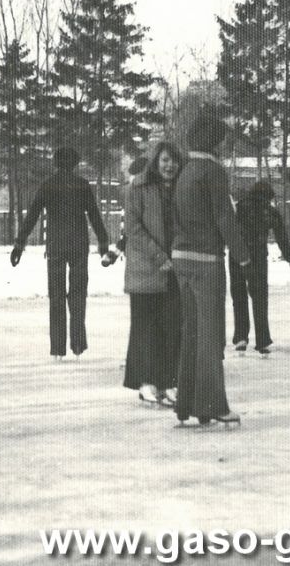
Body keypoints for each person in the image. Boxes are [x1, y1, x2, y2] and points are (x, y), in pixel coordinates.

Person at [171, 114, 251, 427]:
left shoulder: (185, 171)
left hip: (181, 258)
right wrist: (243, 255)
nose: (225, 146)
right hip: (206, 260)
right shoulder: (212, 171)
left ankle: (187, 403)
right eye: (222, 140)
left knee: (191, 333)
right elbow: (224, 217)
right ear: (213, 141)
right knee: (211, 334)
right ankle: (213, 403)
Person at [11, 146, 110, 360]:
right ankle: (77, 346)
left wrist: (19, 244)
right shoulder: (82, 185)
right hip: (78, 245)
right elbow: (94, 216)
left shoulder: (48, 185)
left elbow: (32, 215)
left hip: (56, 245)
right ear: (75, 163)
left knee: (56, 297)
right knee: (77, 295)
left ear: (56, 162)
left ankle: (57, 349)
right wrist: (103, 245)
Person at [122, 142, 184, 408]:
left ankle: (169, 382)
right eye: (165, 160)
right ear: (156, 161)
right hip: (146, 268)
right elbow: (133, 229)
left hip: (175, 269)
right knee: (144, 328)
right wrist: (159, 256)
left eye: (174, 161)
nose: (169, 166)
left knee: (171, 327)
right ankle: (145, 382)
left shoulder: (183, 189)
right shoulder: (137, 188)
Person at [229, 181, 290, 355]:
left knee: (239, 297)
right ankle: (262, 340)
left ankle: (240, 337)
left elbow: (227, 229)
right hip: (258, 258)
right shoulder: (269, 211)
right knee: (260, 299)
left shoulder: (239, 207)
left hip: (237, 256)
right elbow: (282, 239)